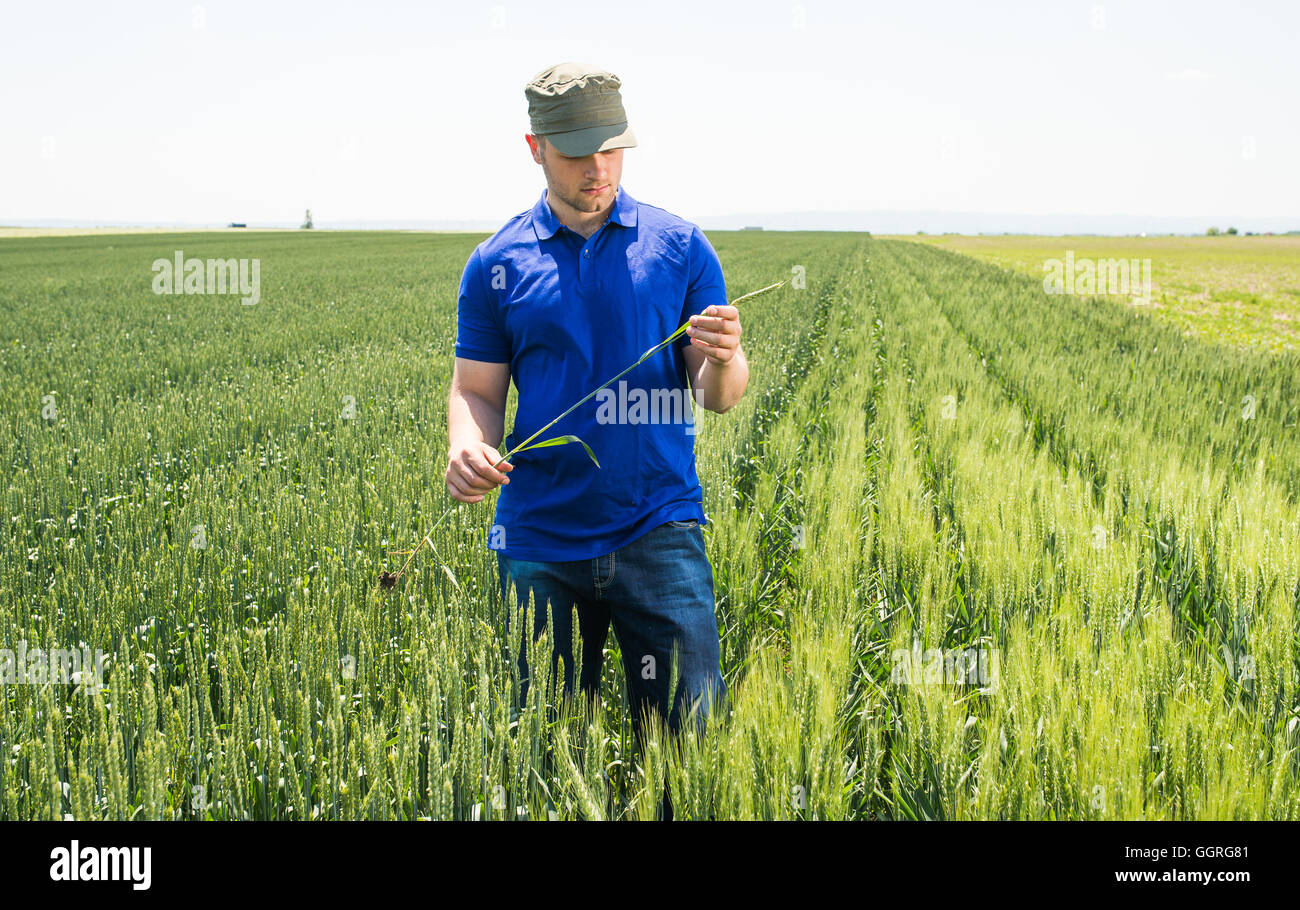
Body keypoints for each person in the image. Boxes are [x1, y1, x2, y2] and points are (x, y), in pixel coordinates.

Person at [445, 62, 748, 816]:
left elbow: (719, 398)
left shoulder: (679, 248)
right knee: (542, 760)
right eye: (578, 151)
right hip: (540, 544)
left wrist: (724, 355)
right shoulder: (496, 266)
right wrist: (466, 445)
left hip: (659, 533)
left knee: (689, 760)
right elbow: (477, 392)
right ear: (534, 147)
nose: (598, 167)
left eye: (612, 148)